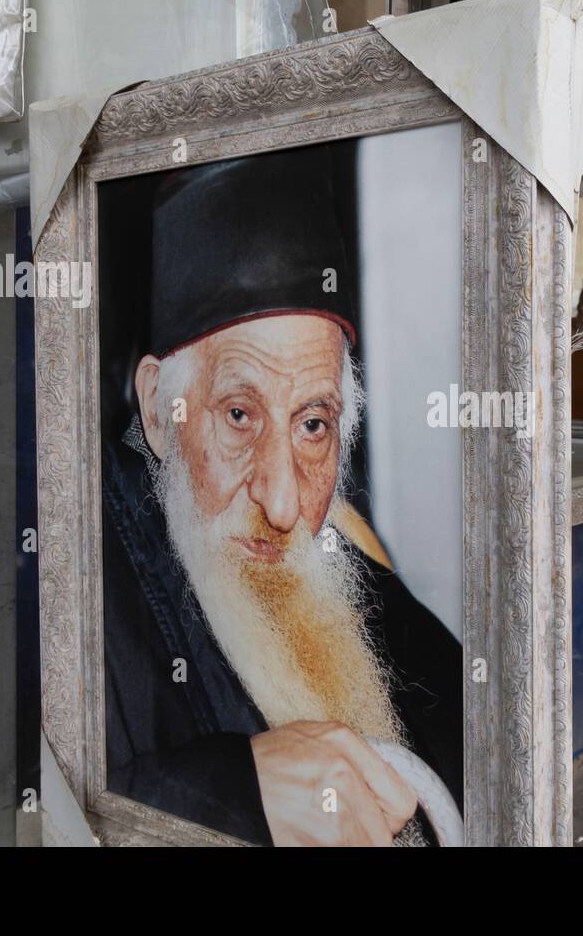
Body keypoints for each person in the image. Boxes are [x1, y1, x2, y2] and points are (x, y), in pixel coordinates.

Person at [101, 151, 462, 846]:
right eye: (239, 415)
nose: (284, 504)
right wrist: (233, 792)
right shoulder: (90, 602)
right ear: (157, 410)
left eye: (312, 425)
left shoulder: (344, 565)